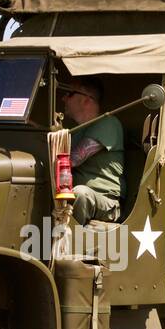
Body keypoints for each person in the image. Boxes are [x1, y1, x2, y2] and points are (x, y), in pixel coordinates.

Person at [60, 77, 124, 224]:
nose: (64, 99)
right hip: (77, 197)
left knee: (80, 194)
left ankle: (70, 245)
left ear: (86, 99)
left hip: (105, 200)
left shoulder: (108, 123)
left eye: (69, 94)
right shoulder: (75, 132)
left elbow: (73, 160)